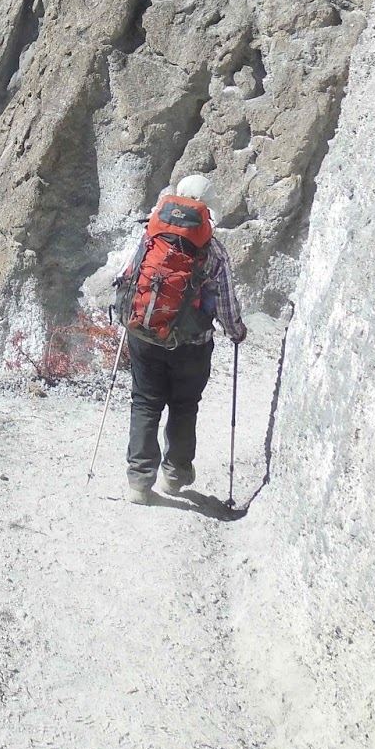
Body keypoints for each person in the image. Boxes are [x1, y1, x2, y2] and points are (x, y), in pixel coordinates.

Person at [114, 174, 246, 504]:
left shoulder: (151, 234)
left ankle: (138, 483)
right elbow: (227, 302)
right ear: (207, 209)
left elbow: (128, 277)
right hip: (192, 345)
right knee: (184, 407)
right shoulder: (212, 249)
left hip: (144, 335)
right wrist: (237, 332)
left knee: (145, 401)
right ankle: (174, 475)